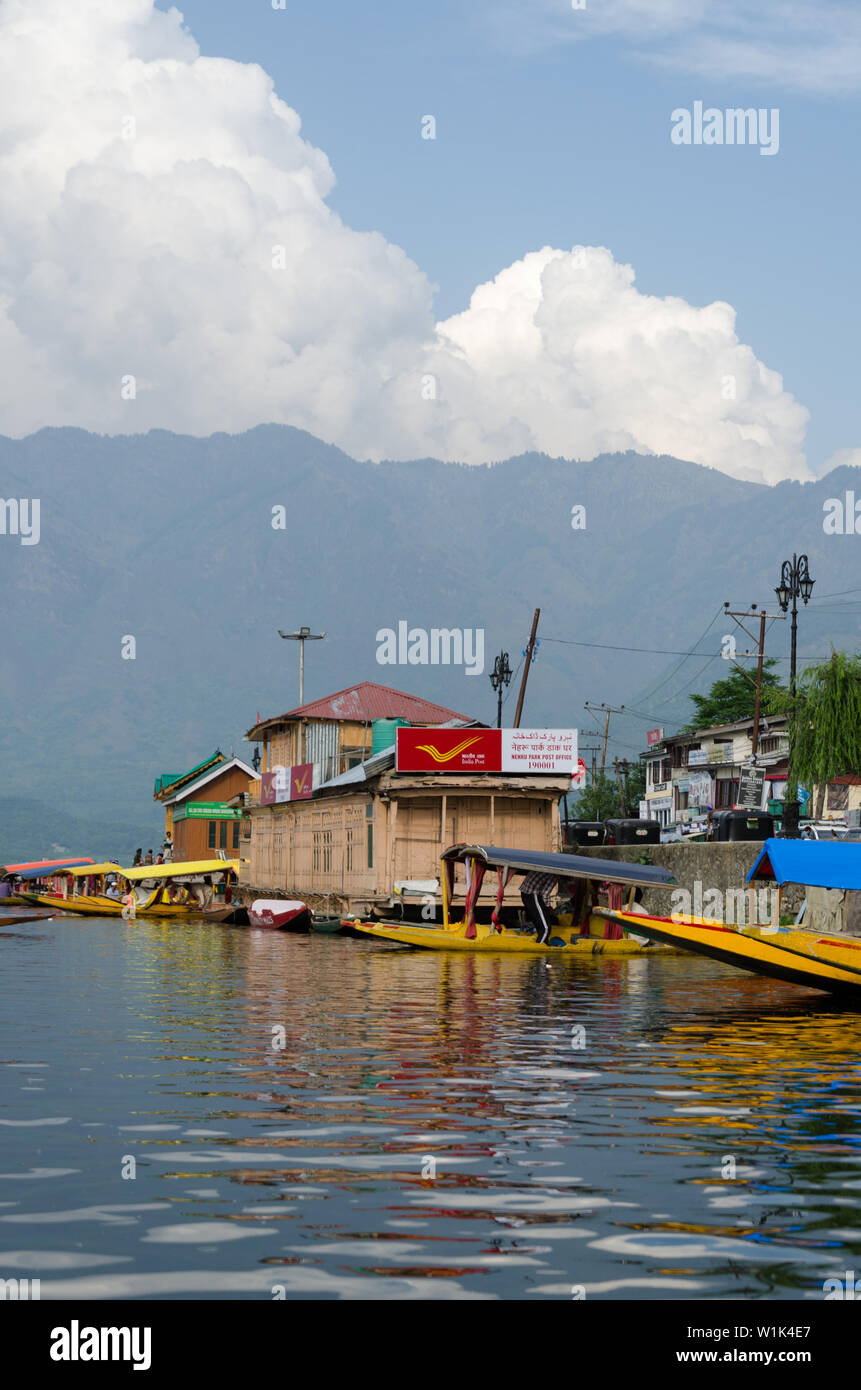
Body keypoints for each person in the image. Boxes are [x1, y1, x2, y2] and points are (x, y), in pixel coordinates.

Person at [520, 869, 558, 945]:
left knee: (539, 925)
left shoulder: (545, 862)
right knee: (545, 928)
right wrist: (548, 908)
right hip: (532, 894)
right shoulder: (555, 874)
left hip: (524, 892)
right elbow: (545, 894)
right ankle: (540, 946)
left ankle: (544, 943)